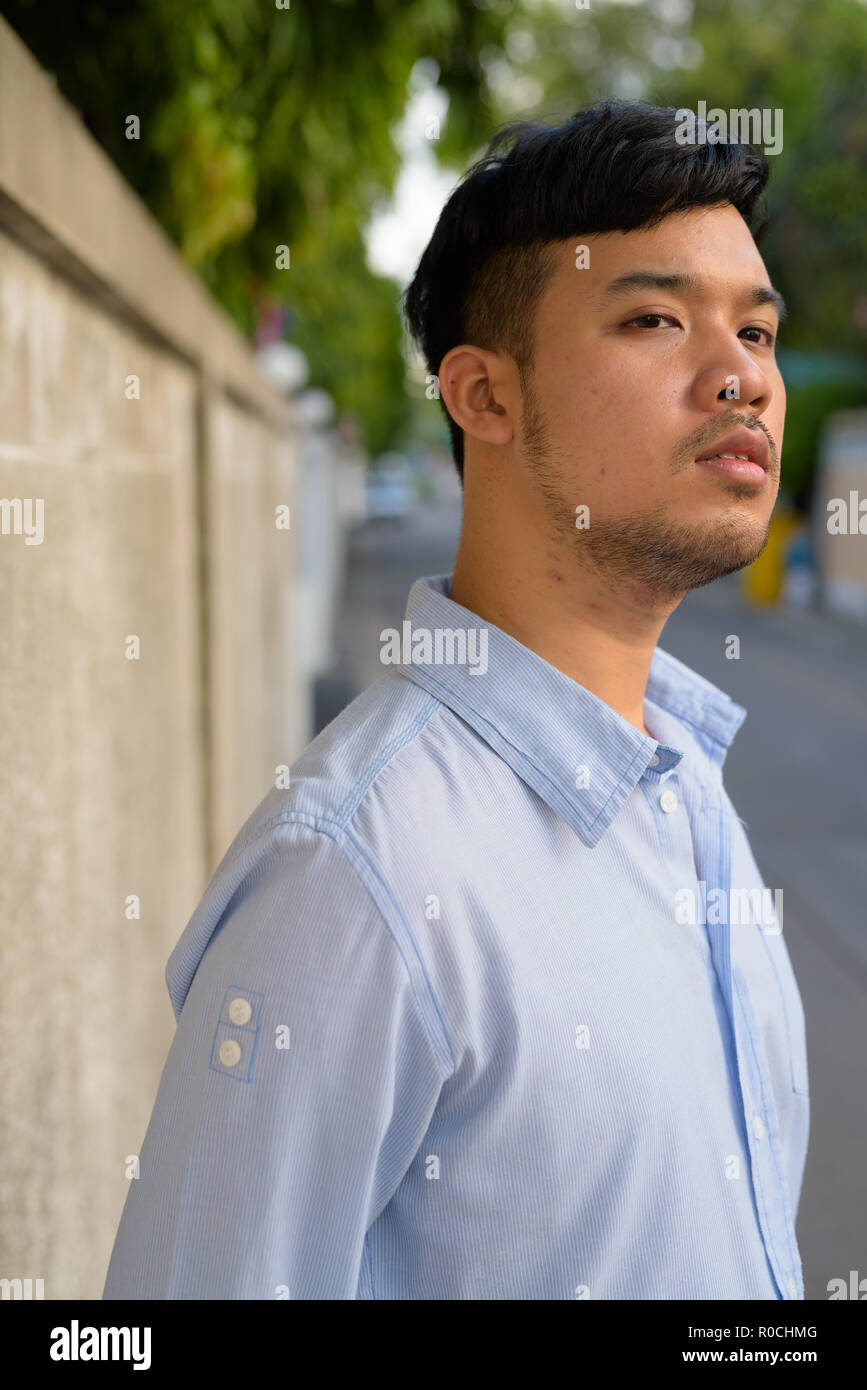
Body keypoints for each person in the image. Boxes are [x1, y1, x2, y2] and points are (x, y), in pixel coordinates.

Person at [103, 100, 808, 1301]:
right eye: (655, 318)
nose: (741, 373)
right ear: (483, 395)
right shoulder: (357, 874)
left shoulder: (691, 792)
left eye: (757, 328)